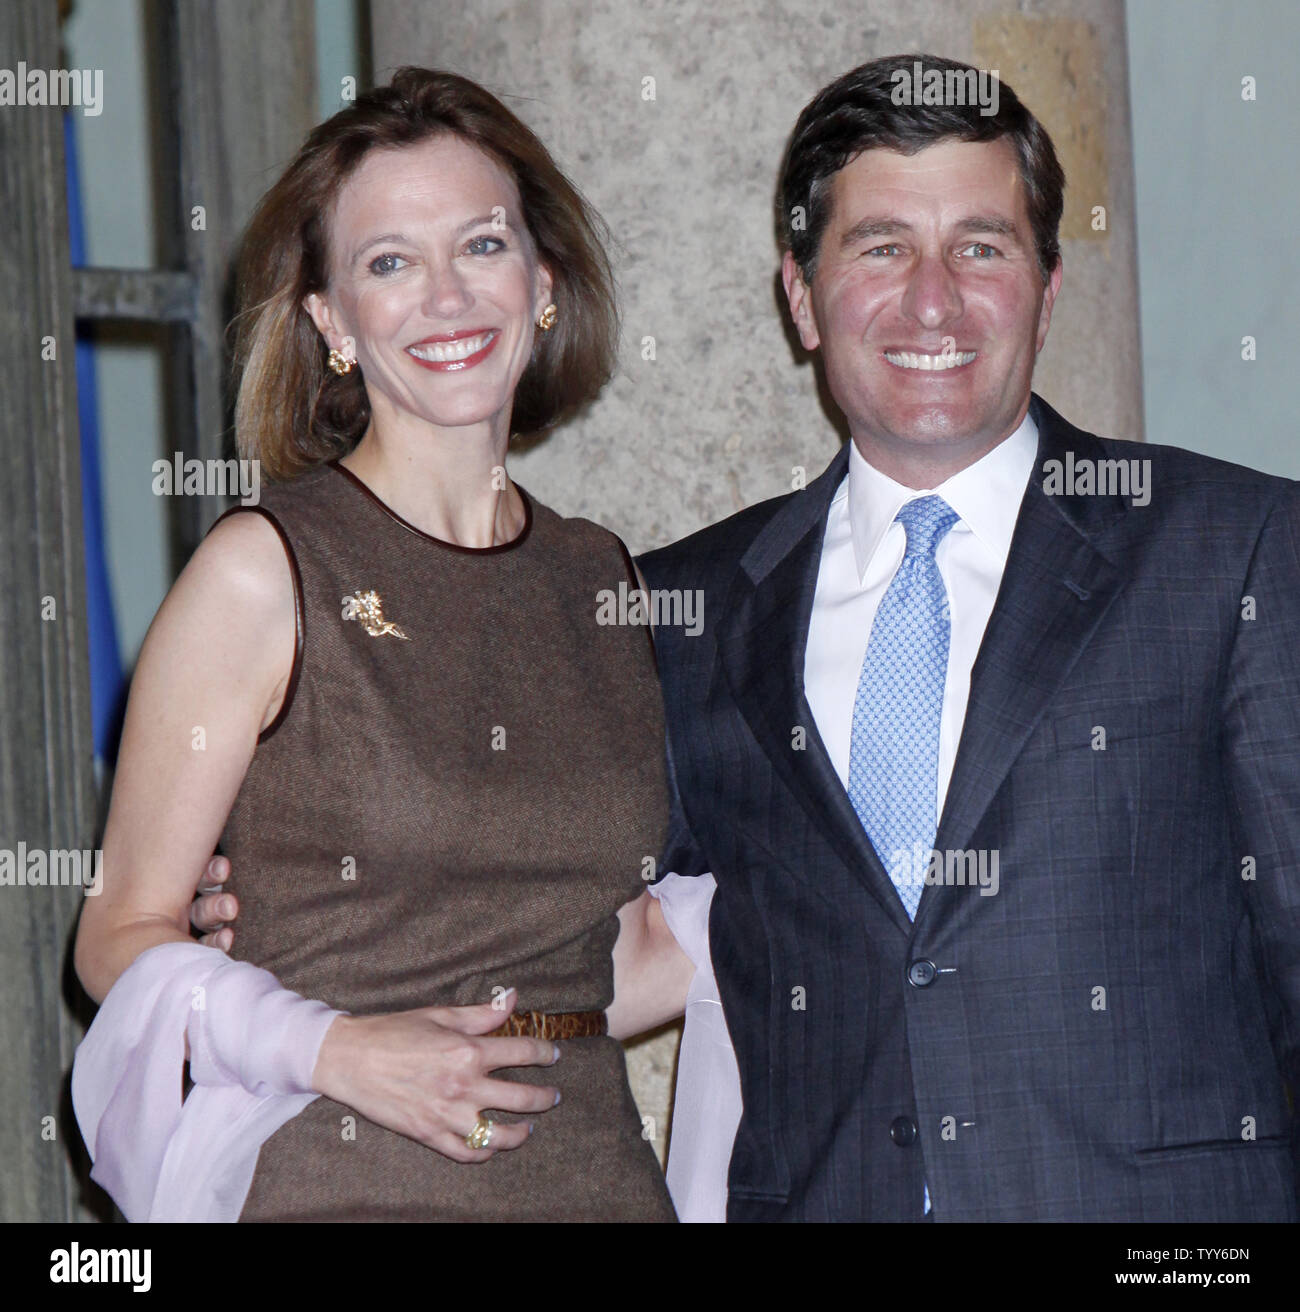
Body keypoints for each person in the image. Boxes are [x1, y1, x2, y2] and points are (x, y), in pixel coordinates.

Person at [635, 53, 1300, 1221]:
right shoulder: (683, 610)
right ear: (799, 294)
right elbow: (551, 894)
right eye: (880, 245)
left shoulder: (1232, 548)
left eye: (981, 247)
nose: (931, 300)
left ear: (1046, 290)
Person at [73, 67, 692, 1223]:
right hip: (343, 1183)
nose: (447, 298)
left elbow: (613, 956)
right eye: (390, 263)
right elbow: (117, 934)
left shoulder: (598, 577)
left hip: (600, 1186)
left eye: (482, 245)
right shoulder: (263, 570)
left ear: (544, 284)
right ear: (331, 321)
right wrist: (333, 1049)